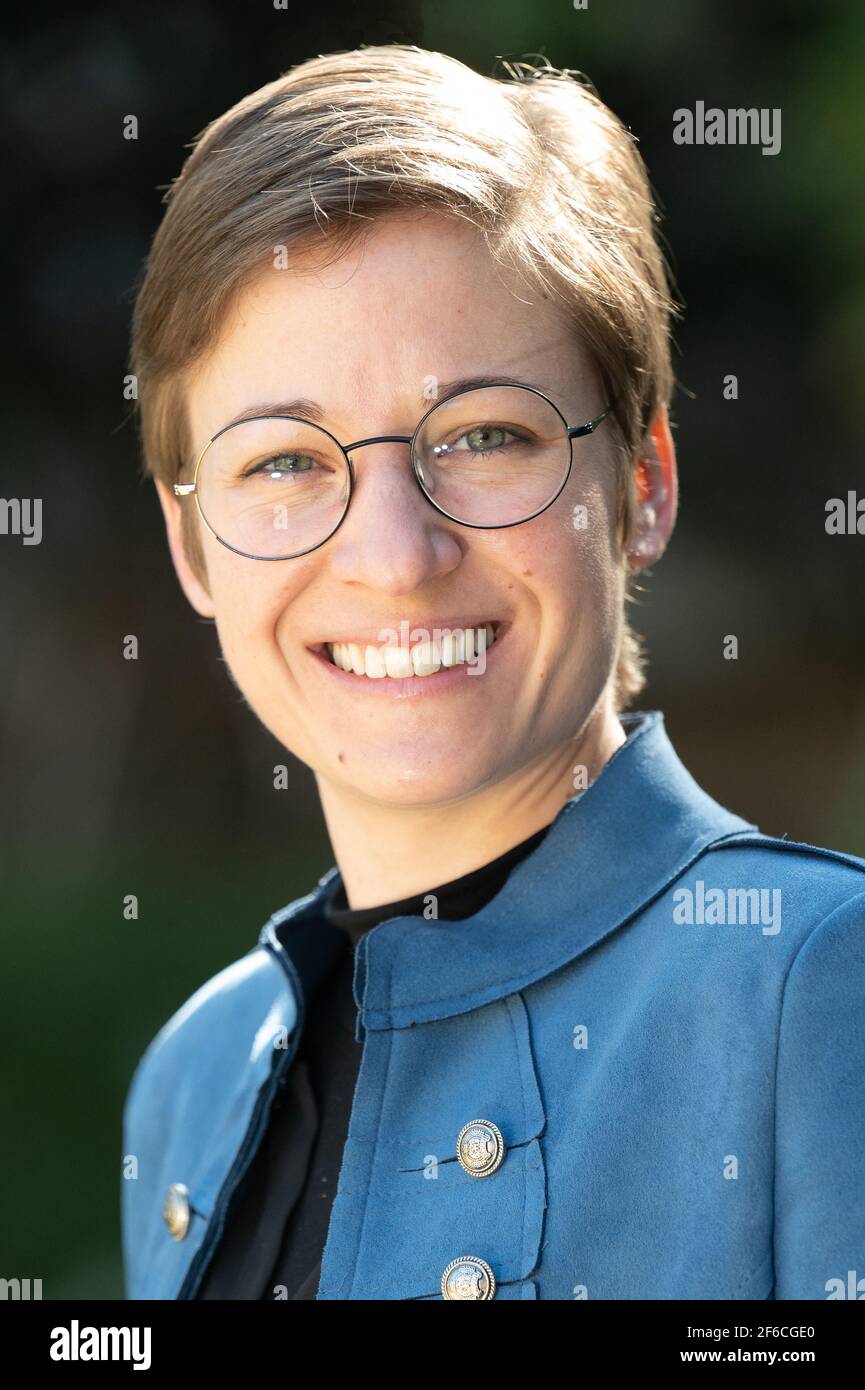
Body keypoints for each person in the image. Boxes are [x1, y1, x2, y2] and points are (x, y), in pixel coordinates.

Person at [121, 44, 865, 1301]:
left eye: (482, 436)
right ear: (192, 541)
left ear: (641, 483)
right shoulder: (194, 1077)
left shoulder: (824, 990)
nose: (396, 559)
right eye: (285, 462)